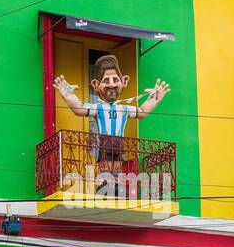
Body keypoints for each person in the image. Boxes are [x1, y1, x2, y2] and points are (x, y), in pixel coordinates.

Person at [53, 54, 171, 195]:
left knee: (117, 164)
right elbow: (80, 108)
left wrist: (154, 99)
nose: (111, 84)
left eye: (115, 79)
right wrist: (67, 95)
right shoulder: (98, 108)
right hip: (105, 142)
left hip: (119, 142)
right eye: (106, 80)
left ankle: (115, 183)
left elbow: (142, 111)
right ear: (95, 85)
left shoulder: (124, 108)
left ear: (124, 82)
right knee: (106, 163)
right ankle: (105, 182)